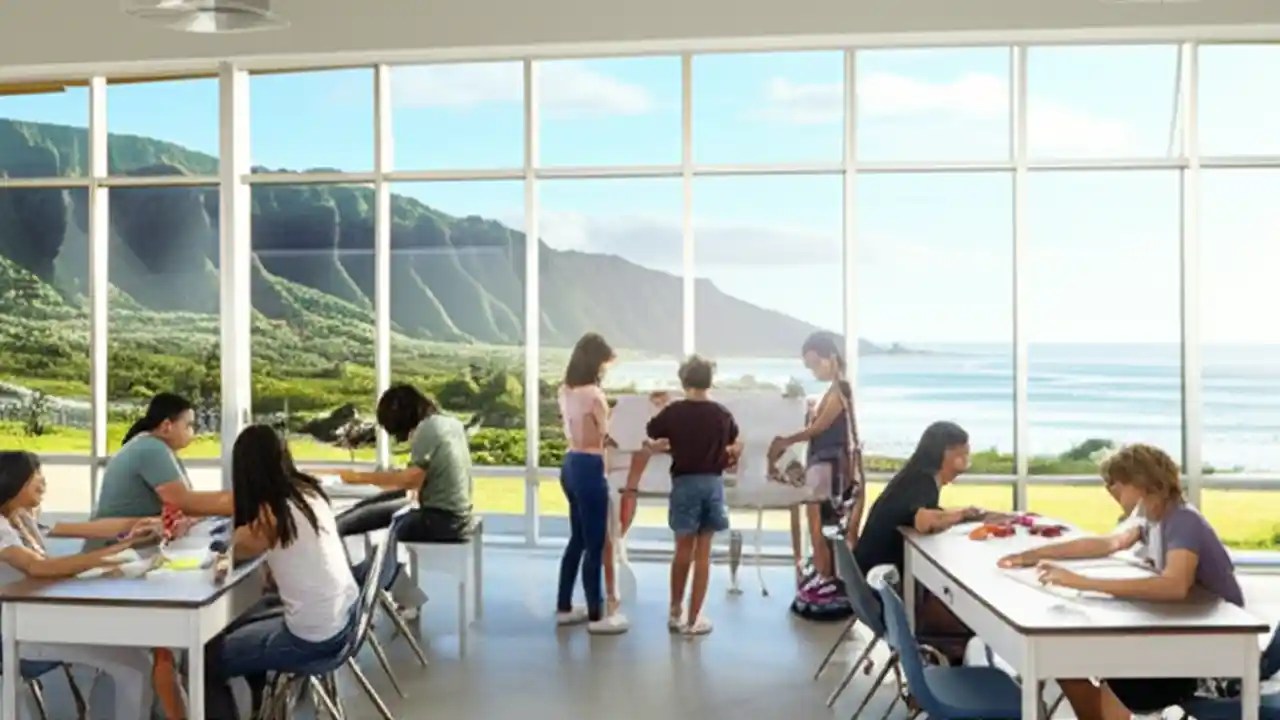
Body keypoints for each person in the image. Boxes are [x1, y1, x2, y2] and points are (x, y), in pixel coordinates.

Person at [998, 444, 1244, 720]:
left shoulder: (1184, 521)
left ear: (1140, 481)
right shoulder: (1152, 518)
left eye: (1114, 482)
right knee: (1067, 658)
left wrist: (1081, 582)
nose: (1109, 490)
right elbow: (1108, 543)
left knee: (1086, 659)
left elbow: (1174, 585)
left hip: (1211, 655)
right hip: (1183, 632)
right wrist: (1030, 556)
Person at [204, 425, 359, 720]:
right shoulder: (307, 493)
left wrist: (227, 546)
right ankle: (260, 706)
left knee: (206, 660)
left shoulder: (269, 515)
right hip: (344, 620)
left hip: (312, 638)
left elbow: (222, 567)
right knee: (245, 619)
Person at [0, 451, 159, 720]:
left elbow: (82, 534)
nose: (43, 482)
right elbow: (38, 567)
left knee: (135, 658)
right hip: (19, 631)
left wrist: (130, 539)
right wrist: (113, 554)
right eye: (35, 475)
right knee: (134, 666)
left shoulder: (23, 518)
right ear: (13, 482)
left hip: (43, 619)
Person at [855, 420, 988, 663]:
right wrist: (962, 515)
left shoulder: (914, 478)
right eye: (962, 454)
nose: (965, 462)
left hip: (867, 586)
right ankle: (950, 673)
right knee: (970, 617)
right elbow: (924, 521)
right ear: (944, 453)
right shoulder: (922, 482)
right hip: (885, 592)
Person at [767, 331, 866, 614]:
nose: (813, 370)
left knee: (820, 522)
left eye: (815, 363)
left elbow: (820, 428)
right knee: (819, 521)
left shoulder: (840, 389)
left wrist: (787, 440)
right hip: (825, 462)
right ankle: (825, 575)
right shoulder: (834, 390)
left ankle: (828, 577)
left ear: (830, 357)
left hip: (830, 465)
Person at [644, 355, 741, 636]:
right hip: (712, 483)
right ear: (710, 381)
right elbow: (733, 441)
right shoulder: (722, 414)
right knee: (703, 554)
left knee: (682, 550)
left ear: (684, 381)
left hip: (684, 483)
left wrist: (664, 407)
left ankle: (675, 611)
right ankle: (693, 619)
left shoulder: (675, 411)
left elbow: (652, 430)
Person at [336, 384, 476, 543]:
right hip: (460, 518)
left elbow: (409, 481)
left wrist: (358, 478)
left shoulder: (427, 428)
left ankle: (340, 529)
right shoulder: (450, 423)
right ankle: (345, 523)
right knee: (371, 506)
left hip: (442, 521)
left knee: (390, 522)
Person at [555, 332, 628, 635]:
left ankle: (564, 607)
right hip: (590, 466)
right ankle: (597, 616)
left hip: (570, 464)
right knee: (595, 545)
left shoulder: (565, 391)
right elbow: (605, 435)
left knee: (578, 540)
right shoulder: (595, 396)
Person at [94, 392, 232, 525]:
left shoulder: (150, 445)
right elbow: (182, 503)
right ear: (167, 426)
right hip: (118, 537)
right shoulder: (151, 448)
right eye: (189, 425)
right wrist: (239, 502)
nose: (192, 432)